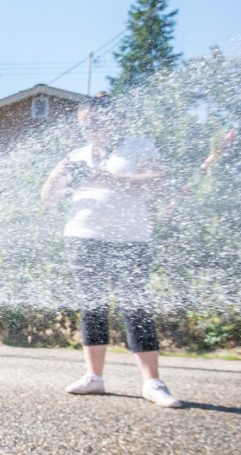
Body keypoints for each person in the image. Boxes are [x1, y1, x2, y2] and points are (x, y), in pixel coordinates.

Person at [41, 92, 181, 408]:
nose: (89, 130)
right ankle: (94, 377)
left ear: (112, 120)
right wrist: (59, 176)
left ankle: (153, 382)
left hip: (130, 239)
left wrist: (111, 178)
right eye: (84, 125)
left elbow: (158, 181)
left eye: (94, 123)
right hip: (82, 236)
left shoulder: (139, 147)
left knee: (135, 305)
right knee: (92, 304)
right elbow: (47, 198)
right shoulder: (76, 156)